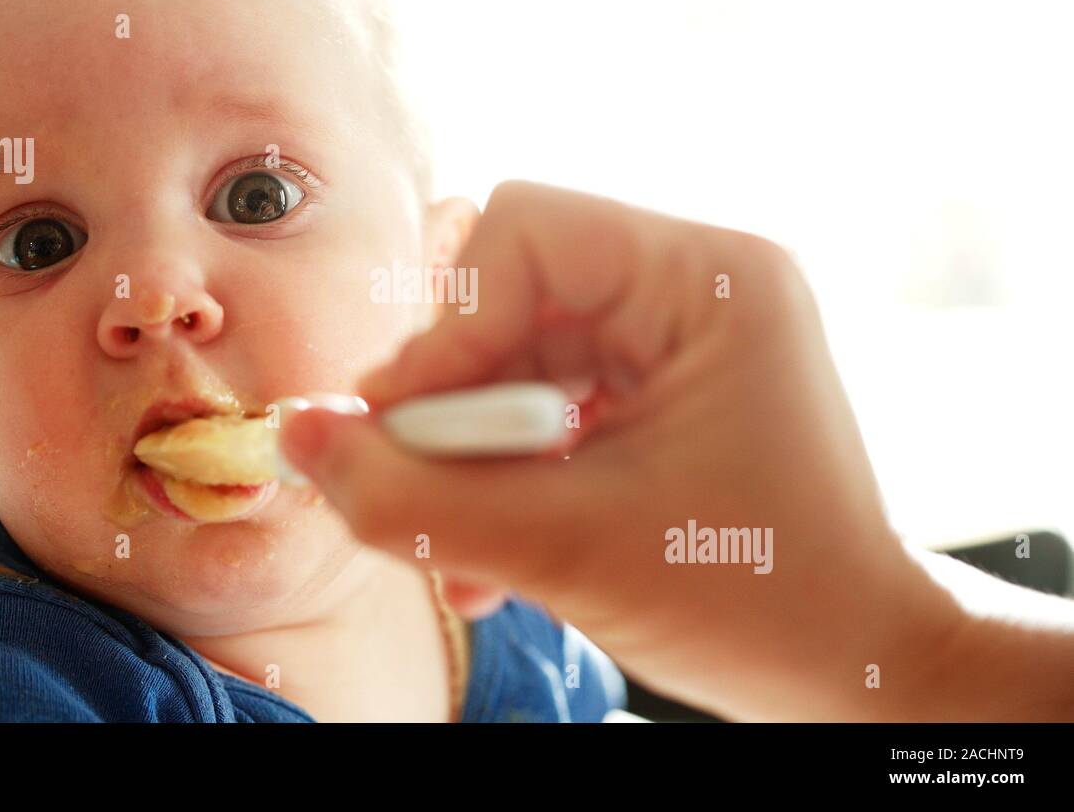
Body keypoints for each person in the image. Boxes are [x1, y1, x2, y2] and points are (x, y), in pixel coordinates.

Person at [0, 0, 626, 724]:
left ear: (443, 295)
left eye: (257, 198)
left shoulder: (497, 560)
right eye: (39, 243)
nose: (153, 296)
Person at [280, 179, 1074, 721]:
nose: (158, 292)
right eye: (140, 247)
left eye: (259, 197)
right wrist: (910, 652)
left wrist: (889, 642)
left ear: (445, 272)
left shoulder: (529, 614)